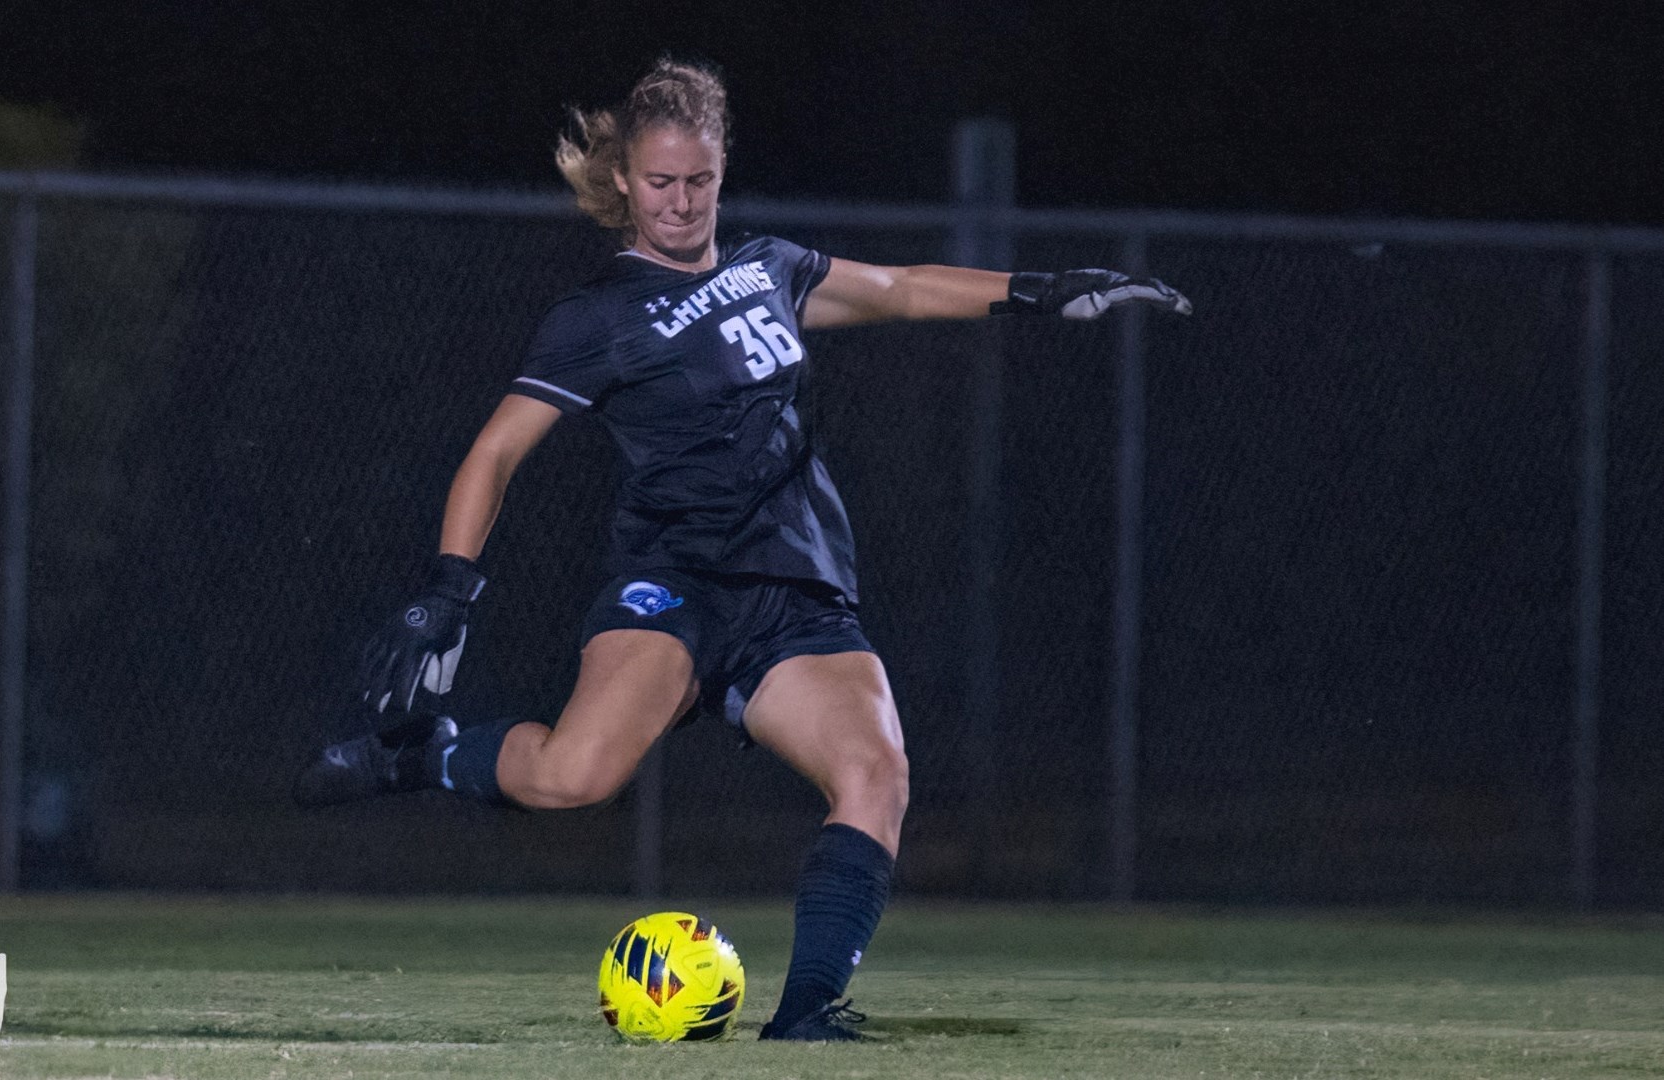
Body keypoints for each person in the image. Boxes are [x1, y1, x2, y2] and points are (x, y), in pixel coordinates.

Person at [295, 57, 1190, 1041]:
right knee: (573, 779)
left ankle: (806, 1013)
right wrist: (447, 590)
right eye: (660, 183)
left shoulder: (767, 269)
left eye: (699, 182)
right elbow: (495, 450)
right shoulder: (596, 319)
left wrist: (1040, 290)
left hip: (796, 595)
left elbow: (896, 288)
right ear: (626, 183)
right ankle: (428, 756)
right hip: (670, 586)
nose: (679, 203)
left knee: (876, 775)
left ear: (721, 175)